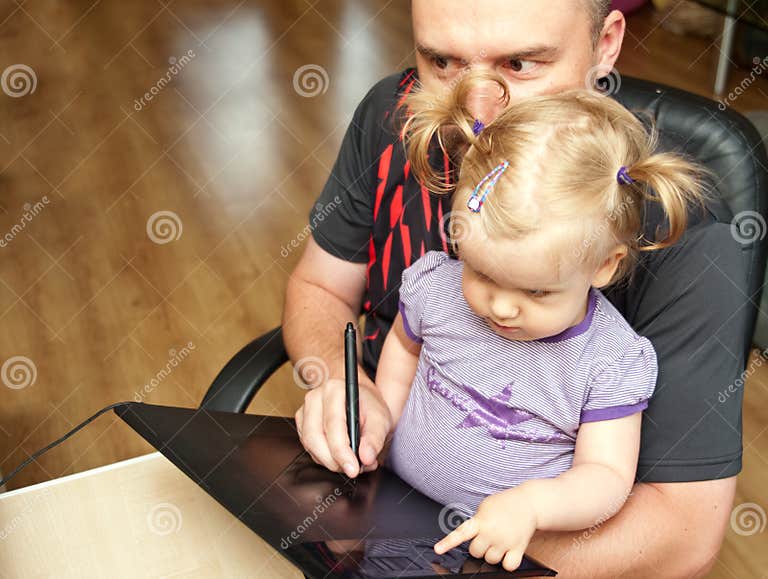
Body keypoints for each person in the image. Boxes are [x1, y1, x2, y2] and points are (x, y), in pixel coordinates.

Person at [284, 1, 748, 576]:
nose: (476, 111)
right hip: (371, 501)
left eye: (522, 63)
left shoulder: (688, 230)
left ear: (605, 44)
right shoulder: (394, 112)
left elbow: (682, 535)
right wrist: (344, 384)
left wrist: (451, 540)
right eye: (442, 60)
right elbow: (319, 287)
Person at [376, 77, 707, 571]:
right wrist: (380, 420)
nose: (502, 308)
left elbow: (606, 476)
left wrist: (532, 507)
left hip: (496, 558)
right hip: (386, 518)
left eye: (536, 291)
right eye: (482, 273)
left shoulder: (608, 361)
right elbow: (404, 350)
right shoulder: (438, 290)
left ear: (604, 266)